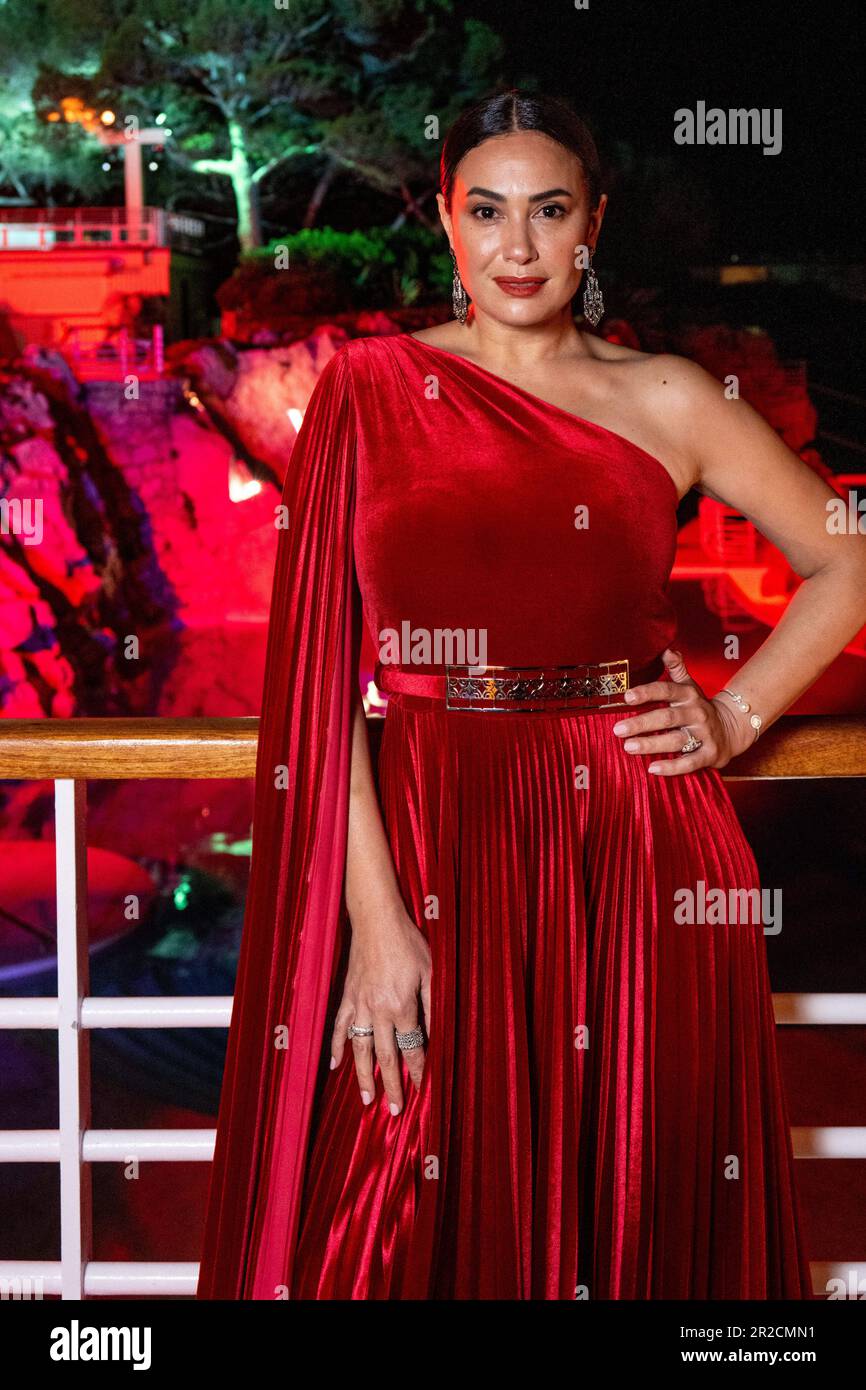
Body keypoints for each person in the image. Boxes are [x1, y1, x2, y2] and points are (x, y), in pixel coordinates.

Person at [196, 88, 866, 1300]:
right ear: (443, 222)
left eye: (547, 212)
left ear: (591, 224)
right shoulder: (366, 389)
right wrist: (377, 924)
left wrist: (734, 713)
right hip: (433, 832)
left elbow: (847, 554)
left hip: (634, 840)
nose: (516, 247)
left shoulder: (664, 396)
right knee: (394, 1197)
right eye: (486, 212)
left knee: (631, 1200)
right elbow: (316, 675)